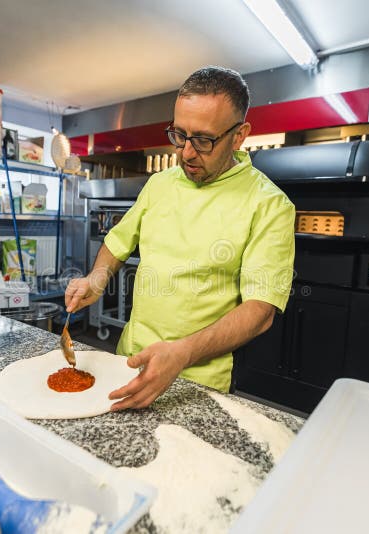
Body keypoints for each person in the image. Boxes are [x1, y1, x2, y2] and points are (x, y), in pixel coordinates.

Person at [65, 65, 295, 410]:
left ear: (239, 135)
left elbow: (260, 311)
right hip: (126, 362)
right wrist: (95, 280)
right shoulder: (160, 184)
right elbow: (118, 241)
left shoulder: (269, 205)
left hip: (196, 381)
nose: (187, 153)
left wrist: (182, 352)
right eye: (179, 135)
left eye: (203, 140)